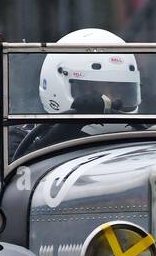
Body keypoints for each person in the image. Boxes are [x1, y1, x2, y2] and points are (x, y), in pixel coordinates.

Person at [8, 27, 146, 161]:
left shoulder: (147, 138)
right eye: (95, 92)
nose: (111, 99)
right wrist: (70, 126)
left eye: (119, 90)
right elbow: (15, 174)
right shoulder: (25, 138)